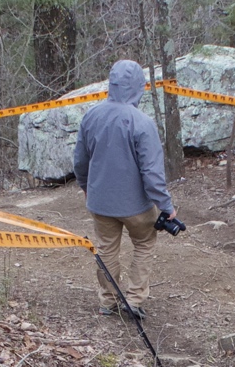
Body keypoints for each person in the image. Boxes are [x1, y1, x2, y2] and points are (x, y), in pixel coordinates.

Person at [72, 59, 178, 316]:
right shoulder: (142, 122)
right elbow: (152, 173)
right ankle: (133, 301)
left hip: (101, 202)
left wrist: (86, 187)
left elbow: (79, 161)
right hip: (137, 206)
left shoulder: (91, 116)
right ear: (138, 87)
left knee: (107, 248)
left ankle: (108, 301)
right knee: (143, 244)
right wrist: (166, 205)